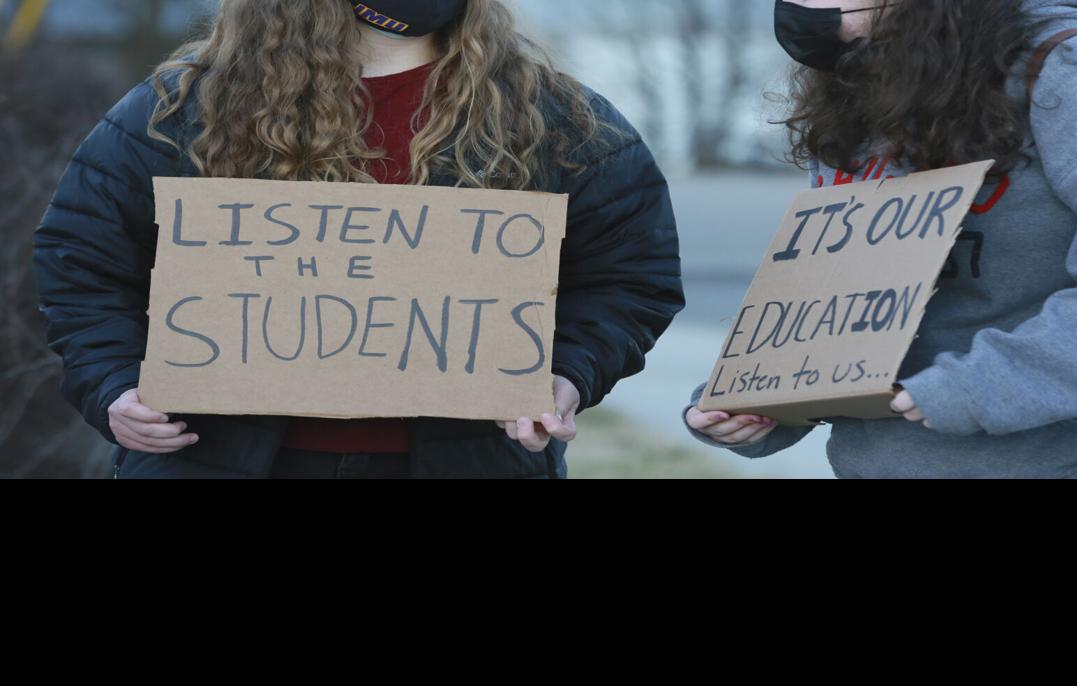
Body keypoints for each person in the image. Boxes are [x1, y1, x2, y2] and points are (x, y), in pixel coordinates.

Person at [34, 0, 684, 479]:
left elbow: (629, 274)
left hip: (468, 462)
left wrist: (566, 375)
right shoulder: (185, 108)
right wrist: (114, 386)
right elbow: (81, 264)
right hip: (216, 459)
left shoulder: (551, 116)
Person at [685, 0, 1077, 478]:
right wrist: (761, 399)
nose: (802, 10)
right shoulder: (863, 86)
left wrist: (974, 389)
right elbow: (846, 304)